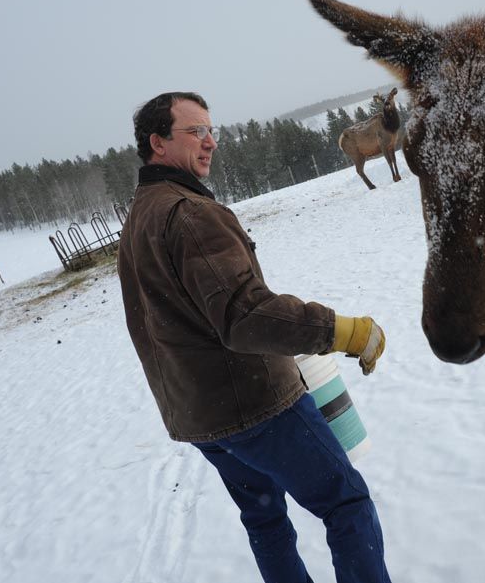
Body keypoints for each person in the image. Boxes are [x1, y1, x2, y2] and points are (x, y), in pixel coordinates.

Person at [117, 91, 392, 583]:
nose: (210, 142)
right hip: (254, 407)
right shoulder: (191, 214)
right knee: (346, 501)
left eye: (210, 129)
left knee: (264, 518)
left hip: (201, 418)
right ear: (157, 142)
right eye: (195, 131)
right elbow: (245, 316)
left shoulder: (141, 214)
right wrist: (344, 331)